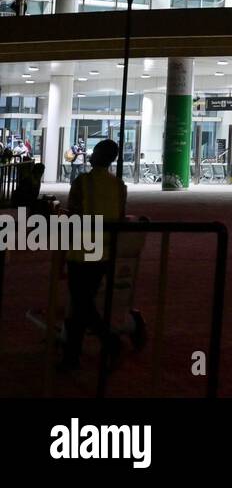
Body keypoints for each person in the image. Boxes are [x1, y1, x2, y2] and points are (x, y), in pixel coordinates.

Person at [58, 139, 127, 372]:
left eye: (95, 150)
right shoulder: (119, 186)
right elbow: (120, 216)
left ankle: (109, 341)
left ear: (99, 156)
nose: (91, 153)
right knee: (82, 304)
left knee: (81, 304)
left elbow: (73, 216)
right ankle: (71, 357)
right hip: (104, 253)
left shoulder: (82, 182)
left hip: (80, 252)